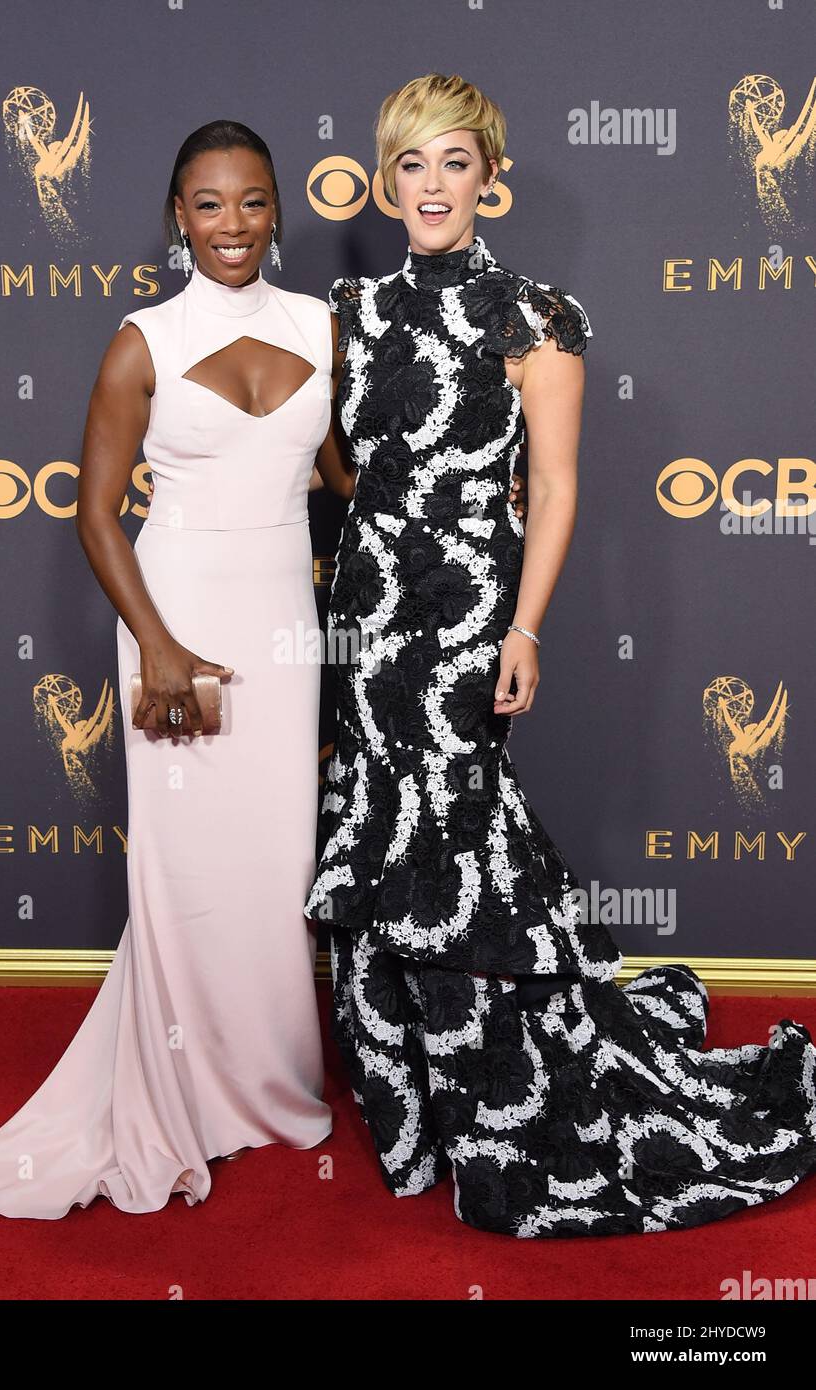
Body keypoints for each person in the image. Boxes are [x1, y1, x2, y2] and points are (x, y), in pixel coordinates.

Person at [304, 72, 816, 1238]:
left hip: (471, 611)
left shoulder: (539, 318)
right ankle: (409, 1105)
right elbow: (337, 458)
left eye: (454, 164)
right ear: (386, 182)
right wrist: (372, 534)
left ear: (492, 177)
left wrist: (523, 625)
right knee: (380, 821)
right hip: (370, 610)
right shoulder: (354, 311)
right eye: (411, 166)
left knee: (455, 829)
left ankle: (497, 1104)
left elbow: (561, 487)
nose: (432, 187)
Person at [0, 120, 343, 1218]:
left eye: (254, 201)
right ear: (178, 215)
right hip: (172, 611)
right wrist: (161, 645)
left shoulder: (325, 328)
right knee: (182, 868)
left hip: (282, 614)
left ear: (278, 210)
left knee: (275, 866)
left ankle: (269, 1090)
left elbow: (340, 479)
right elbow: (95, 513)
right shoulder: (144, 342)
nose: (233, 224)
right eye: (210, 204)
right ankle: (183, 1092)